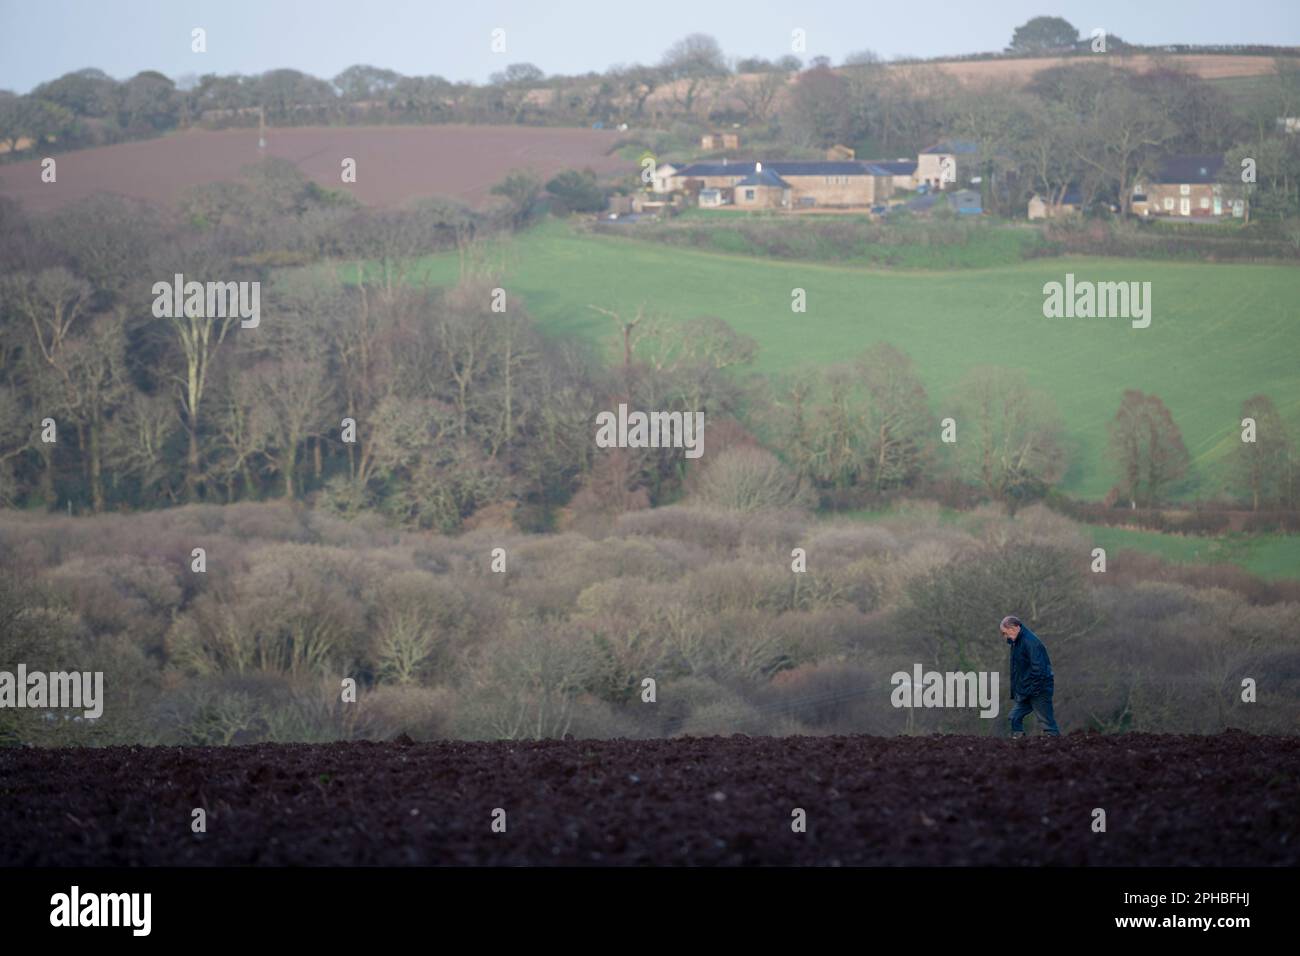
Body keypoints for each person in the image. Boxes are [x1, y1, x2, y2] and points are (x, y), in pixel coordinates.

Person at [1000, 615, 1060, 738]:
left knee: (1047, 723)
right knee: (1014, 717)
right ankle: (1019, 742)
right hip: (1027, 689)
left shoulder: (1030, 642)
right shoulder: (1016, 642)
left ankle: (1056, 744)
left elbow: (1039, 670)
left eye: (1005, 633)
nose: (1005, 637)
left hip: (1039, 689)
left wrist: (1034, 691)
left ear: (1015, 628)